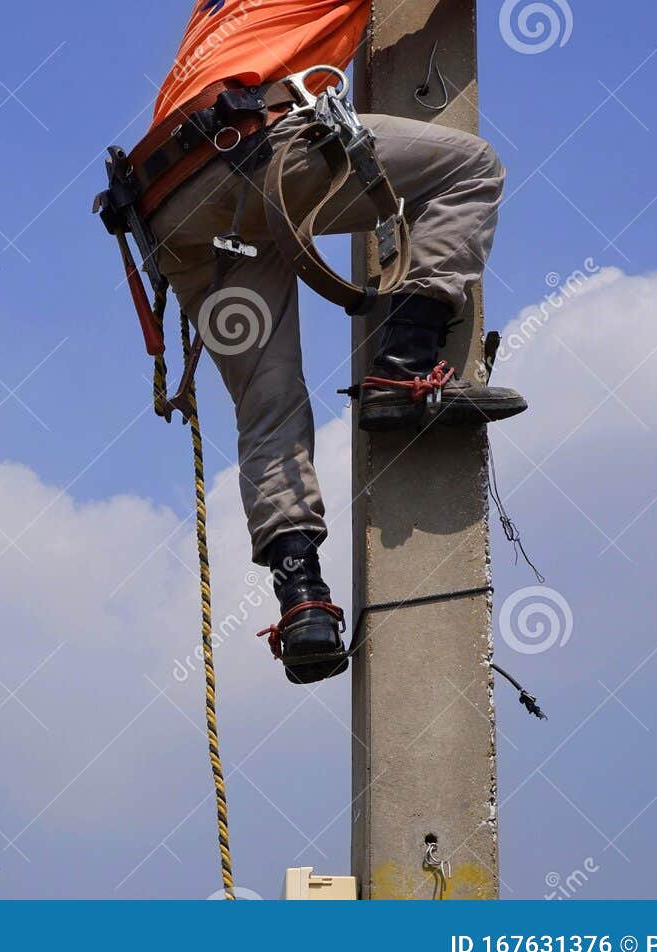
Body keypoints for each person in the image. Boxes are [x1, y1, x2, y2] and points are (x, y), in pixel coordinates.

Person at [142, 0, 526, 684]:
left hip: (176, 207)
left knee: (268, 405)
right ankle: (405, 367)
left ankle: (303, 603)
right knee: (470, 169)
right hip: (256, 154)